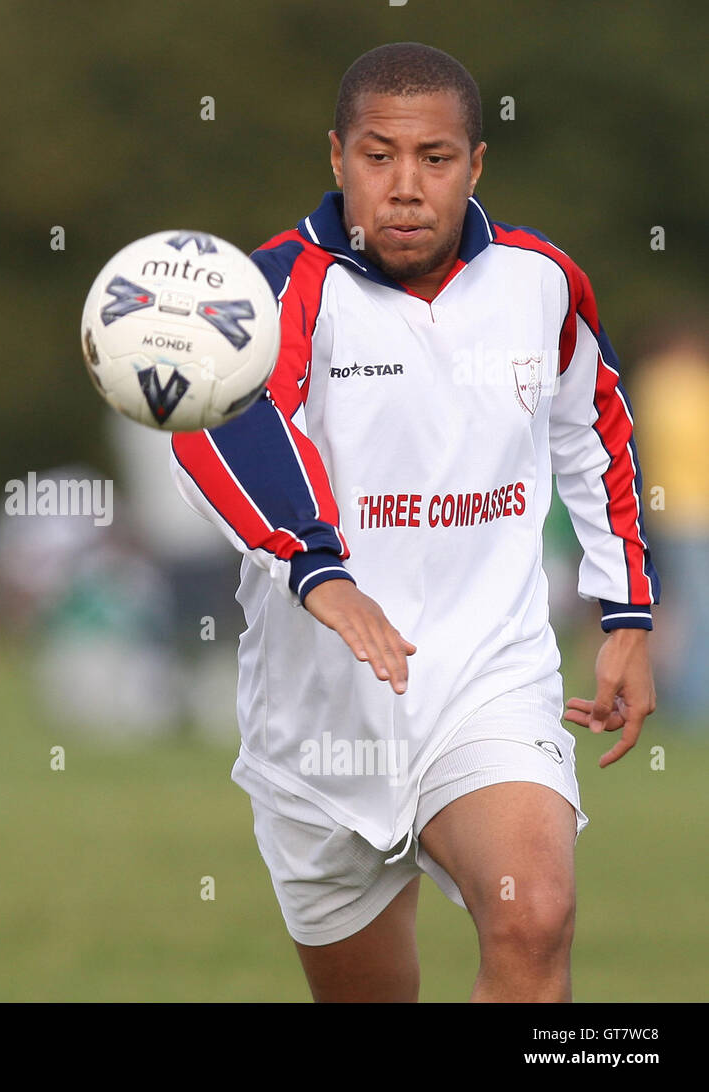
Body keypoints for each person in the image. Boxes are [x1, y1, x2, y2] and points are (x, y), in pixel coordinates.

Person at [170, 42, 658, 1002]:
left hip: (487, 682)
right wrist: (321, 570)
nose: (404, 186)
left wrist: (627, 613)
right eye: (377, 155)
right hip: (319, 727)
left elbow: (594, 429)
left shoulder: (540, 282)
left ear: (475, 164)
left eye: (434, 159)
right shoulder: (274, 290)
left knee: (533, 916)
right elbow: (222, 428)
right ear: (337, 157)